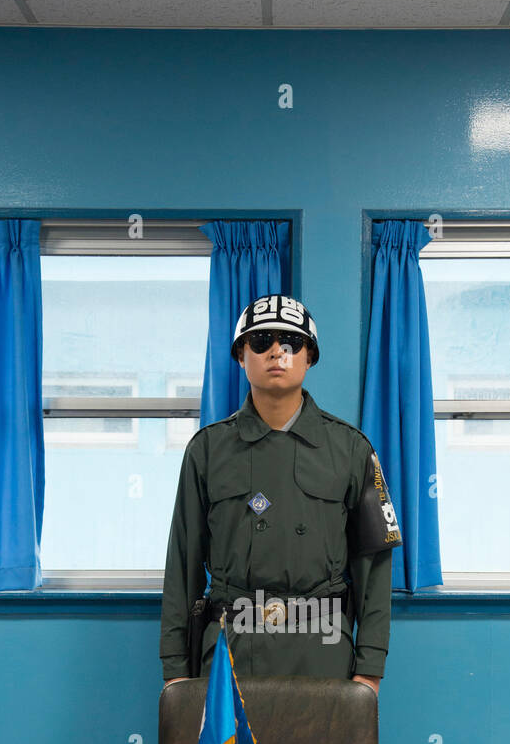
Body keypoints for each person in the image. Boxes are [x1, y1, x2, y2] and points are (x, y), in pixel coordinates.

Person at [159, 294, 401, 691]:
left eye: (291, 342)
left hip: (323, 646)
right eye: (261, 341)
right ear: (241, 357)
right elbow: (181, 563)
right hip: (231, 645)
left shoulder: (352, 449)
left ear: (310, 357)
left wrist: (370, 665)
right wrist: (175, 667)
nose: (277, 351)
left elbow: (374, 565)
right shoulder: (206, 450)